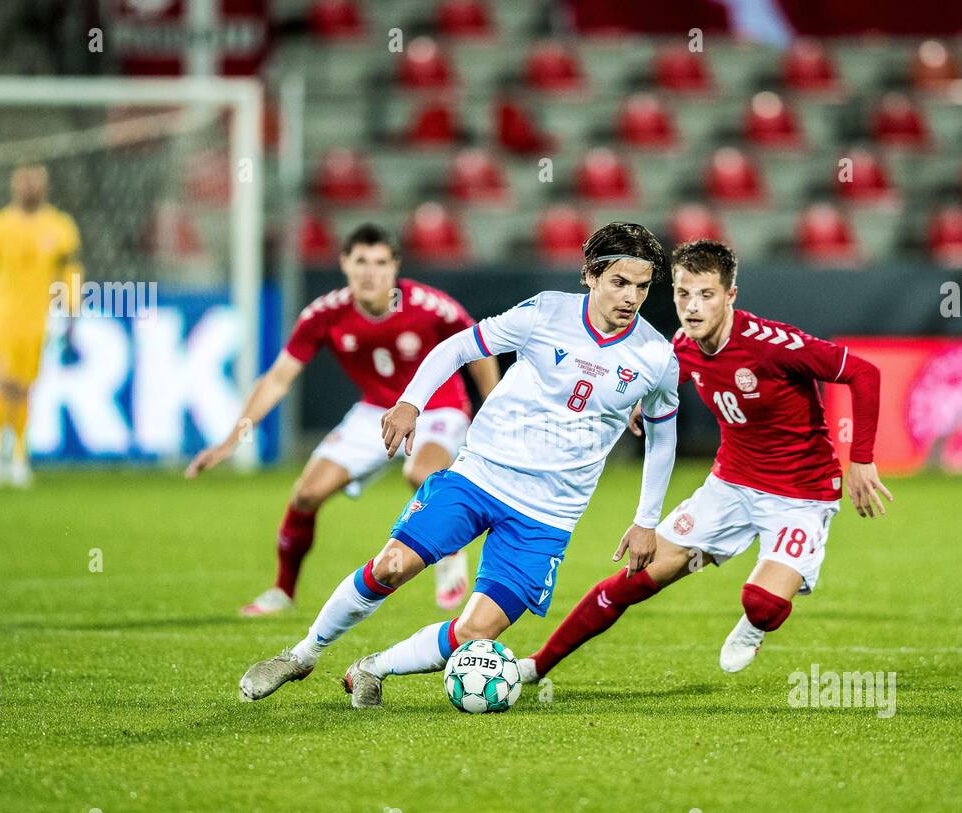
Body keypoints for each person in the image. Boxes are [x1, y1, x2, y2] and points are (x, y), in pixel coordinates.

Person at [237, 222, 680, 708]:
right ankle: (301, 655)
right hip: (480, 475)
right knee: (391, 566)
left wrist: (646, 521)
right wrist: (411, 403)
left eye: (642, 286)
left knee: (477, 632)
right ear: (590, 276)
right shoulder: (544, 313)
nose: (631, 297)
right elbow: (459, 346)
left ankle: (372, 667)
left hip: (548, 515)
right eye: (620, 282)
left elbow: (663, 435)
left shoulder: (656, 356)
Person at [518, 239, 890, 682]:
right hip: (729, 486)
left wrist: (862, 460)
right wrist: (641, 403)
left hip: (800, 495)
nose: (692, 307)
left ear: (730, 296)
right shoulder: (684, 345)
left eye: (706, 295)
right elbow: (671, 376)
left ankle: (753, 627)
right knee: (632, 582)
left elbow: (863, 372)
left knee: (763, 603)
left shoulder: (773, 346)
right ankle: (536, 667)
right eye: (682, 294)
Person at [186, 223, 500, 613]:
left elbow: (481, 349)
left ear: (395, 267)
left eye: (380, 262)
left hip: (437, 408)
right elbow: (278, 379)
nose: (371, 272)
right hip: (375, 411)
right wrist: (231, 440)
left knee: (420, 475)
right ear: (344, 265)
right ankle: (282, 591)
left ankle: (449, 552)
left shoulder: (430, 305)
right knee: (306, 494)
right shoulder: (325, 314)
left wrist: (490, 412)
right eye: (361, 262)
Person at [0, 164, 81, 488]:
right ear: (15, 186)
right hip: (0, 316)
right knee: (6, 383)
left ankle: (17, 454)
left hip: (36, 318)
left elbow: (69, 274)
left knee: (25, 388)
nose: (29, 186)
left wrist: (71, 313)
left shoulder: (60, 227)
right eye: (24, 180)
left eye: (35, 180)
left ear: (44, 185)